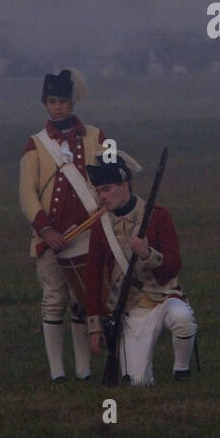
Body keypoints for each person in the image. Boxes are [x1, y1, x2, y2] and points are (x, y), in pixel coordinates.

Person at [18, 69, 105, 381]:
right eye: (52, 101)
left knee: (83, 300)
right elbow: (27, 195)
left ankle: (83, 370)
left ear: (72, 101)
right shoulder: (34, 145)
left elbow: (109, 179)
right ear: (45, 103)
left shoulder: (96, 137)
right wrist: (46, 230)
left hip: (89, 234)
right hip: (50, 237)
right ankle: (57, 372)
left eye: (63, 101)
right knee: (54, 299)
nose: (57, 107)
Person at [84, 156, 196, 385]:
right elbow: (92, 277)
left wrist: (147, 254)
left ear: (124, 186)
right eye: (99, 191)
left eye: (107, 189)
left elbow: (174, 265)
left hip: (163, 297)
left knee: (182, 317)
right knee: (137, 382)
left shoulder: (158, 216)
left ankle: (181, 370)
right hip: (132, 308)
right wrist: (94, 327)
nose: (102, 196)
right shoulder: (100, 226)